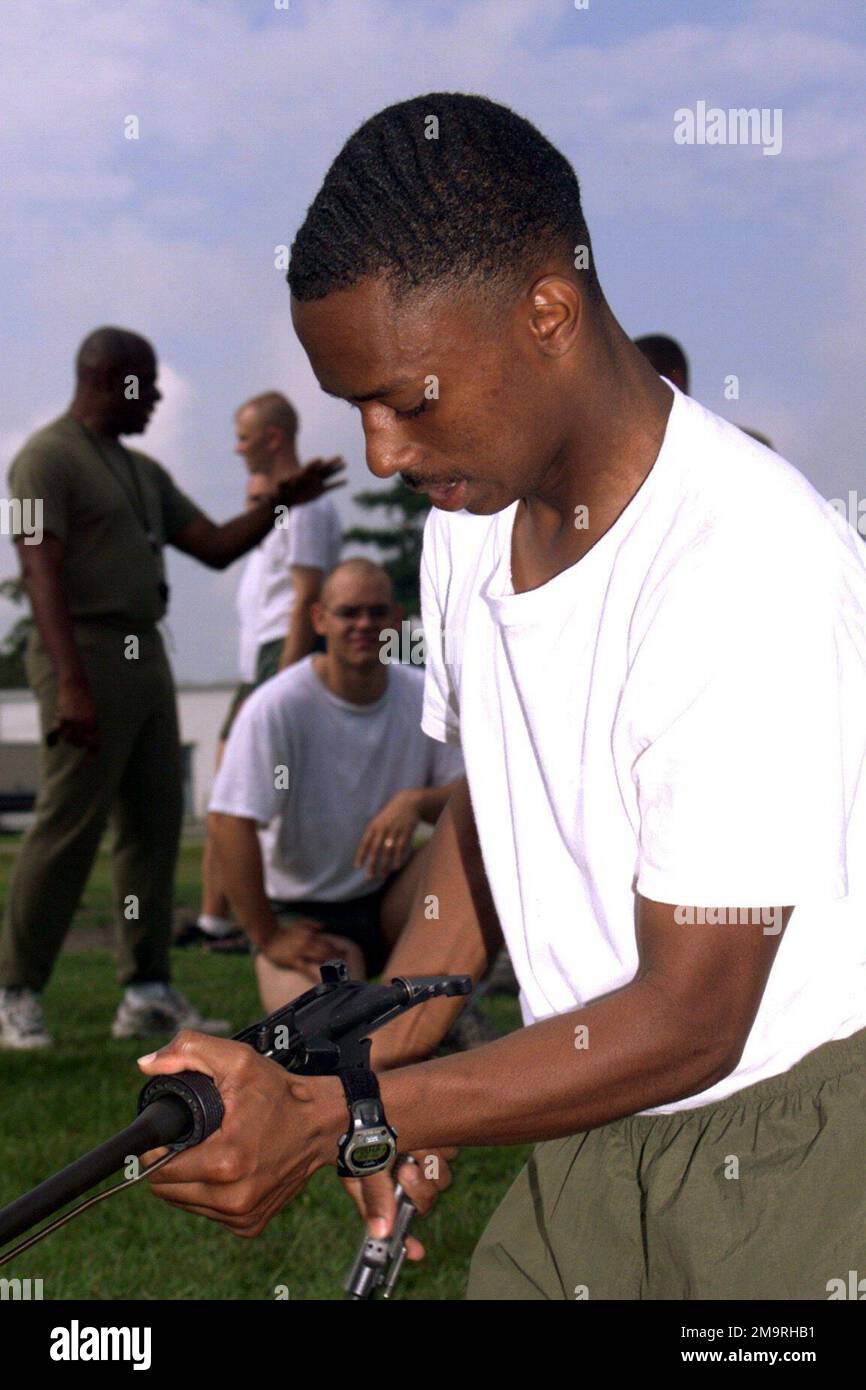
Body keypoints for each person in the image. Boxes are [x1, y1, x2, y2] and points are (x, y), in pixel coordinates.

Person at [138, 95, 866, 1300]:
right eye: (352, 406)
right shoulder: (468, 526)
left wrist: (342, 1111)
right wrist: (386, 1059)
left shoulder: (746, 562)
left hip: (779, 1154)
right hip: (582, 1107)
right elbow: (495, 822)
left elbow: (695, 1016)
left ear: (545, 313)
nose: (379, 451)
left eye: (406, 398)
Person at [0, 327, 344, 1049]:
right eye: (145, 384)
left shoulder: (141, 470)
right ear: (108, 378)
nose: (156, 396)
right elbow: (39, 572)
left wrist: (287, 500)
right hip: (81, 650)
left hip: (143, 652)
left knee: (153, 828)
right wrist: (70, 684)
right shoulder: (42, 460)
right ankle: (14, 990)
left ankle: (146, 988)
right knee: (69, 826)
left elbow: (215, 546)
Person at [207, 557, 465, 1013]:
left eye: (377, 612)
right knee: (325, 1045)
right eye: (348, 613)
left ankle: (443, 996)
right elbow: (229, 821)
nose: (364, 624)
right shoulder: (279, 706)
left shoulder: (421, 695)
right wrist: (268, 936)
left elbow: (471, 795)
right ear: (319, 620)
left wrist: (415, 801)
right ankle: (413, 1002)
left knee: (471, 844)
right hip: (306, 912)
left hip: (390, 901)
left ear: (398, 619)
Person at [175, 471, 272, 952]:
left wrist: (283, 688)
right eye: (248, 497)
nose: (253, 506)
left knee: (237, 803)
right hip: (251, 675)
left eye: (262, 498)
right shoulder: (255, 556)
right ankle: (216, 918)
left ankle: (254, 922)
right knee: (226, 802)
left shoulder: (298, 522)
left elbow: (301, 603)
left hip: (269, 676)